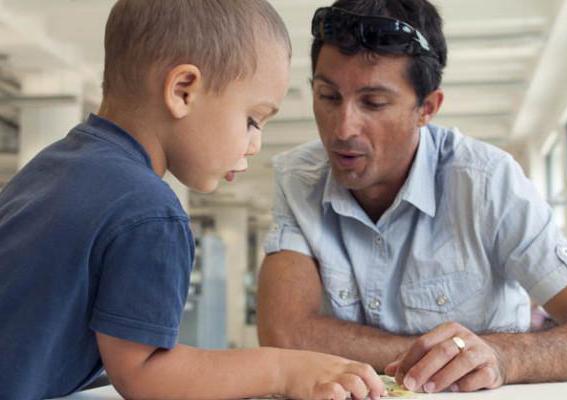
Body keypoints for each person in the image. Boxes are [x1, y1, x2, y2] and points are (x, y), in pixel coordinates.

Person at [0, 1, 385, 399]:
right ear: (183, 91)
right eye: (252, 120)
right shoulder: (148, 211)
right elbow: (144, 372)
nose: (255, 145)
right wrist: (284, 368)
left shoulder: (53, 166)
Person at [257, 0, 567, 394]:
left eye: (373, 103)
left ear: (427, 108)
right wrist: (437, 357)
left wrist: (503, 356)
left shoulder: (487, 182)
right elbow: (285, 334)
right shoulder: (298, 179)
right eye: (328, 97)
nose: (343, 128)